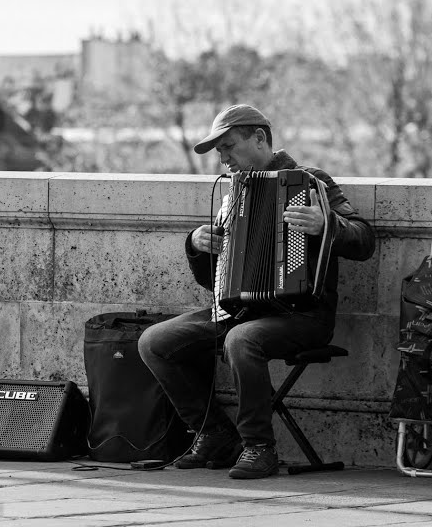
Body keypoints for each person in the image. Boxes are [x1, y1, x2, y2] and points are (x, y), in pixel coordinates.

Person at [137, 104, 376, 479]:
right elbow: (213, 281)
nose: (224, 159)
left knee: (242, 339)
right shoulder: (233, 195)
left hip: (302, 315)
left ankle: (259, 447)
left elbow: (364, 240)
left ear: (260, 138)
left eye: (229, 147)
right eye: (220, 151)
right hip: (240, 311)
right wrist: (197, 245)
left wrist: (328, 224)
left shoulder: (311, 181)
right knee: (154, 341)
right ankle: (215, 434)